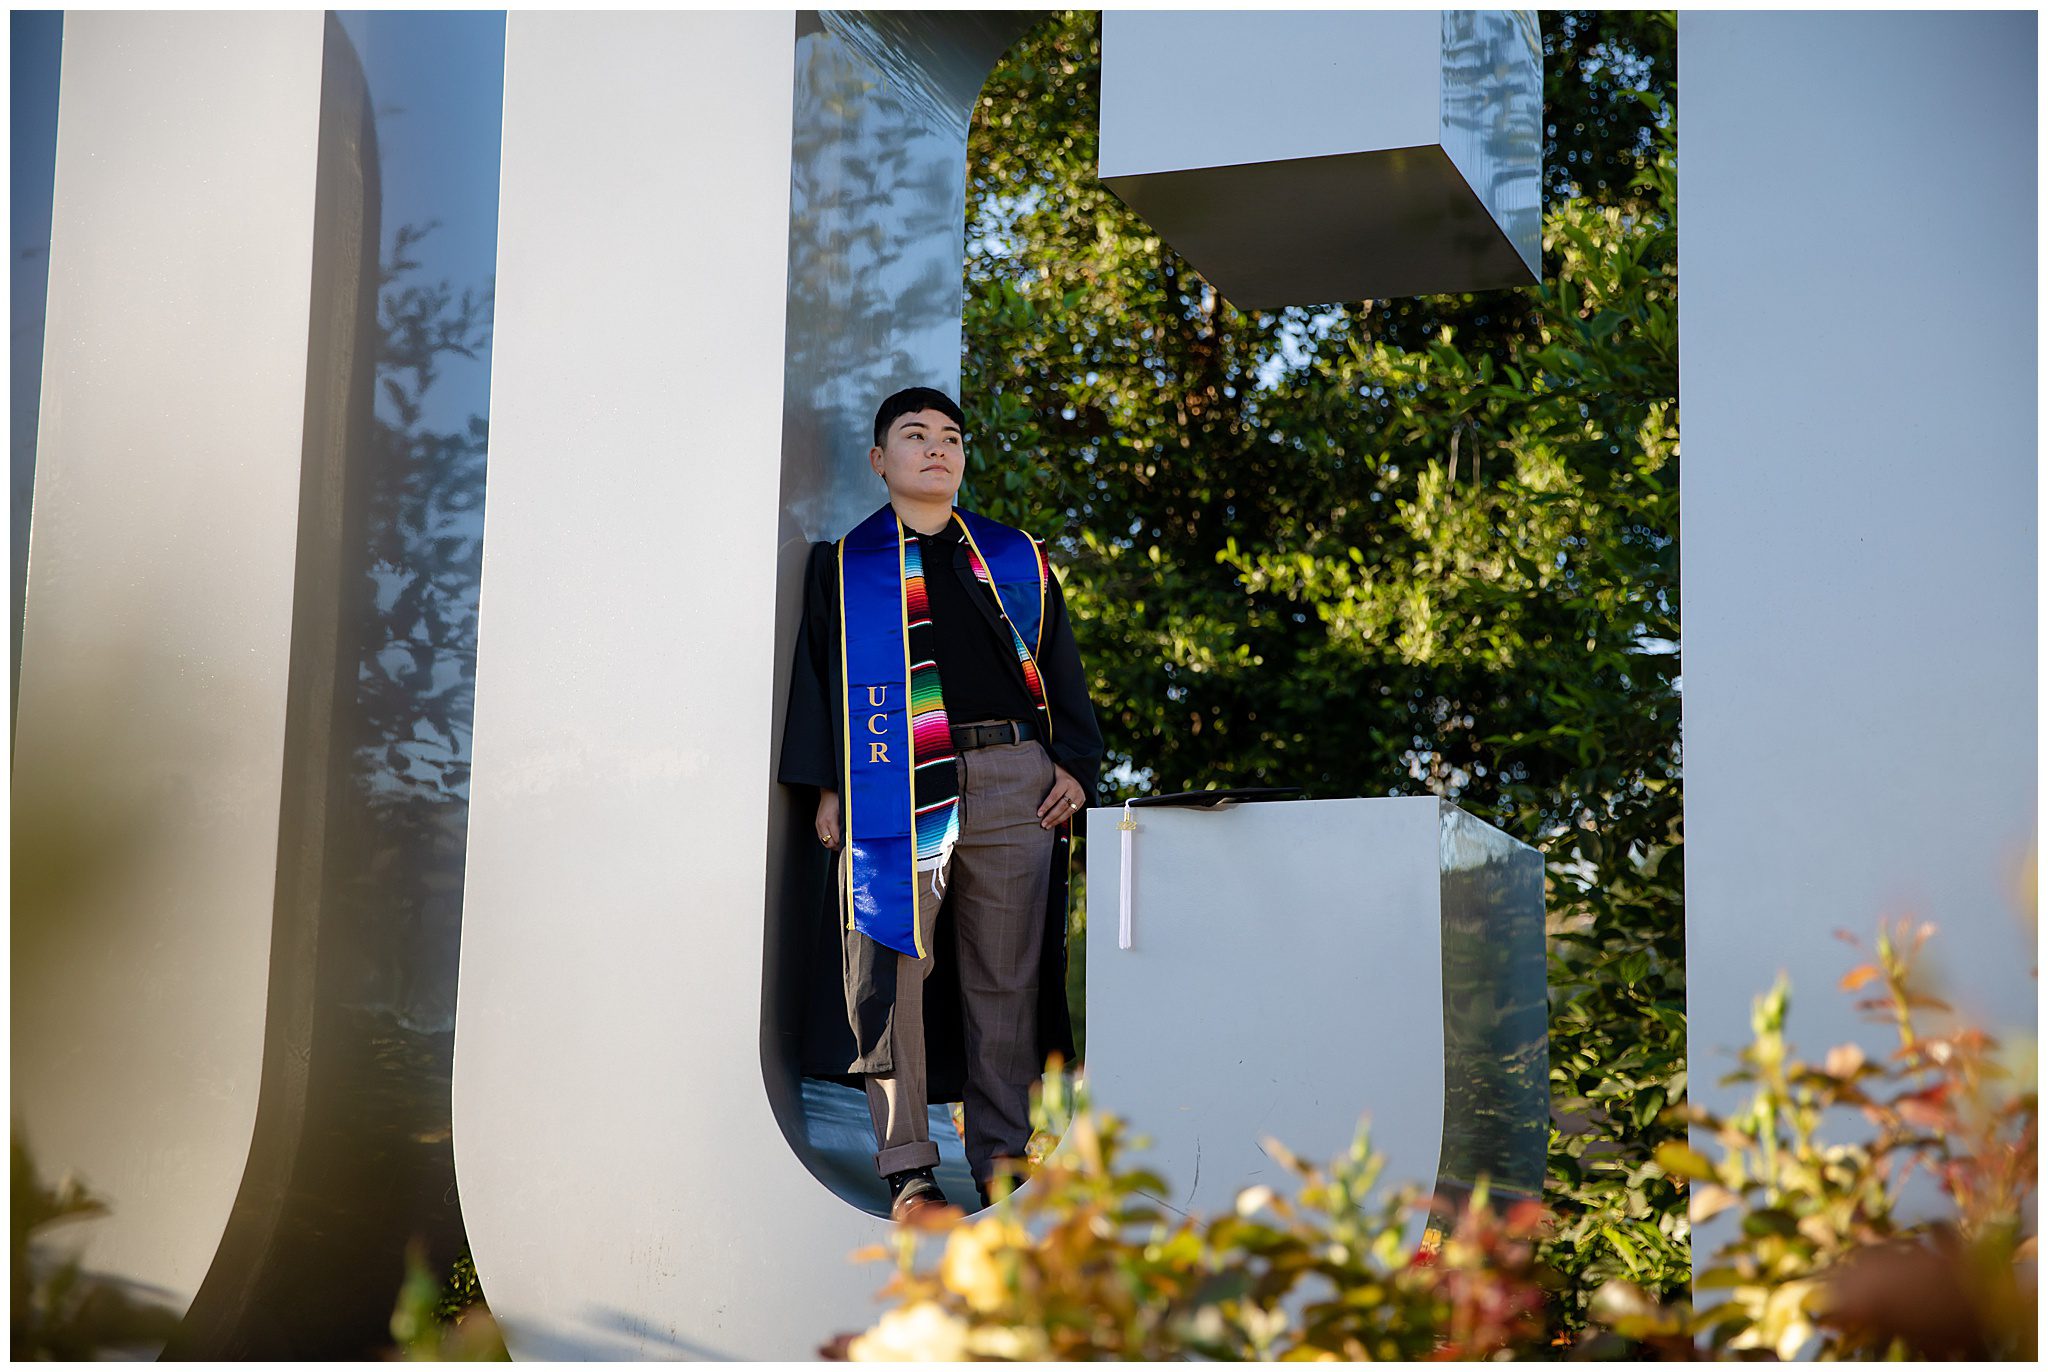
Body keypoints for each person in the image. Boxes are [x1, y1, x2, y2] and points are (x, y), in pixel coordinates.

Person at [778, 386, 1103, 1219]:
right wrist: (825, 788)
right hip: (895, 777)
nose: (937, 449)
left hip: (1013, 779)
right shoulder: (847, 567)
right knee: (891, 966)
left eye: (951, 437)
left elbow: (1060, 670)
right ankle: (911, 1172)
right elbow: (818, 682)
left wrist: (1073, 762)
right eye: (915, 435)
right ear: (880, 459)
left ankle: (1001, 1158)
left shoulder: (1014, 558)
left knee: (1009, 974)